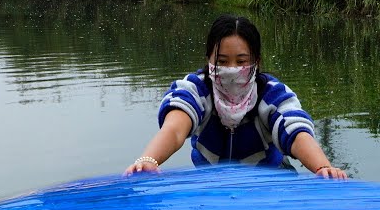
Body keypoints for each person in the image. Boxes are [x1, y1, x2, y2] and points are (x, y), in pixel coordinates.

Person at [125, 14, 347, 179]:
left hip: (270, 185)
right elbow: (174, 130)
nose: (231, 70)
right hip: (212, 183)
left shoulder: (271, 94)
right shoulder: (196, 90)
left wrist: (322, 167)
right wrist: (148, 160)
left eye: (241, 62)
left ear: (256, 62)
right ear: (209, 60)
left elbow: (296, 133)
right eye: (222, 62)